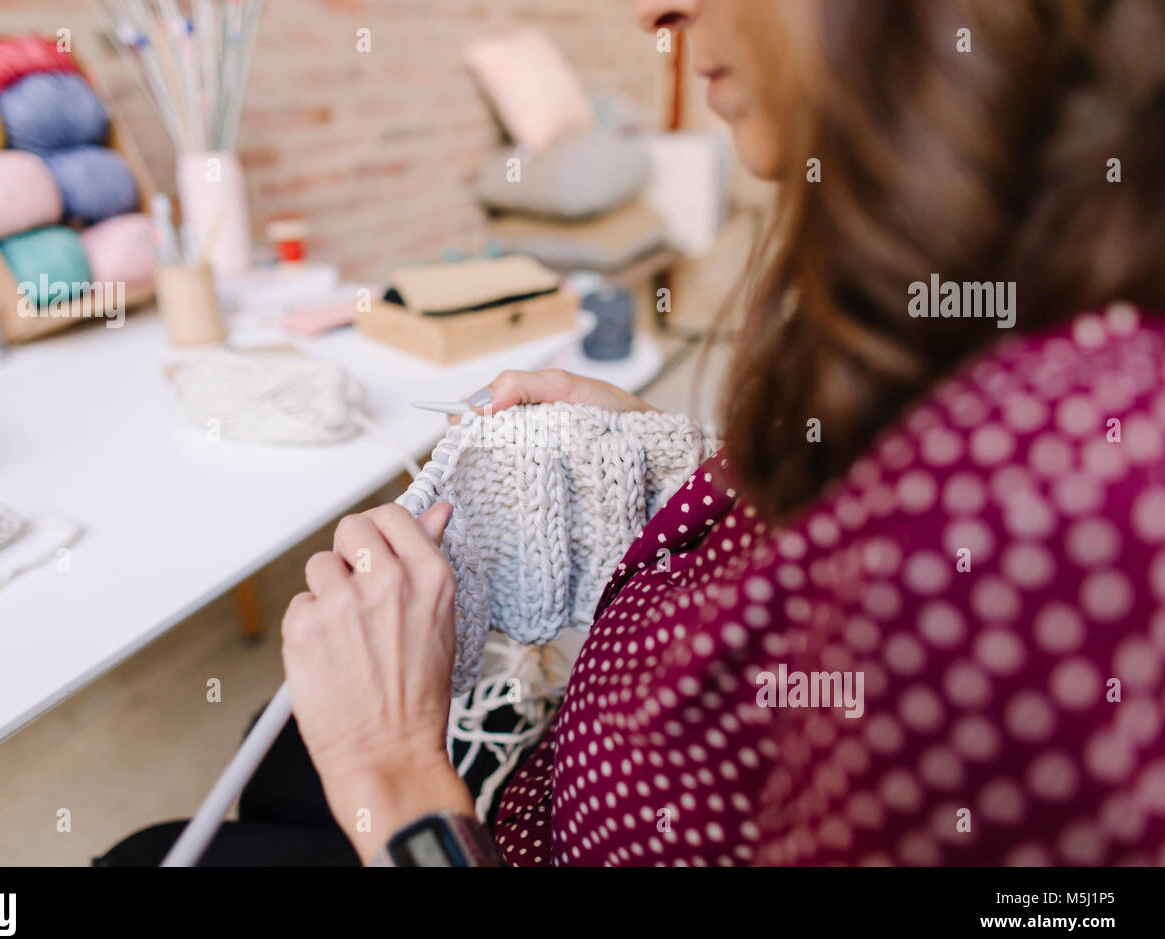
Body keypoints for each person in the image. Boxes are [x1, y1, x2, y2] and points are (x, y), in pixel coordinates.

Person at [100, 0, 1165, 866]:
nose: (660, 13)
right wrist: (683, 465)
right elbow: (857, 520)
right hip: (547, 785)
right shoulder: (1001, 317)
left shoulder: (1064, 509)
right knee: (276, 742)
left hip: (500, 819)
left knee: (154, 849)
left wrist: (390, 773)